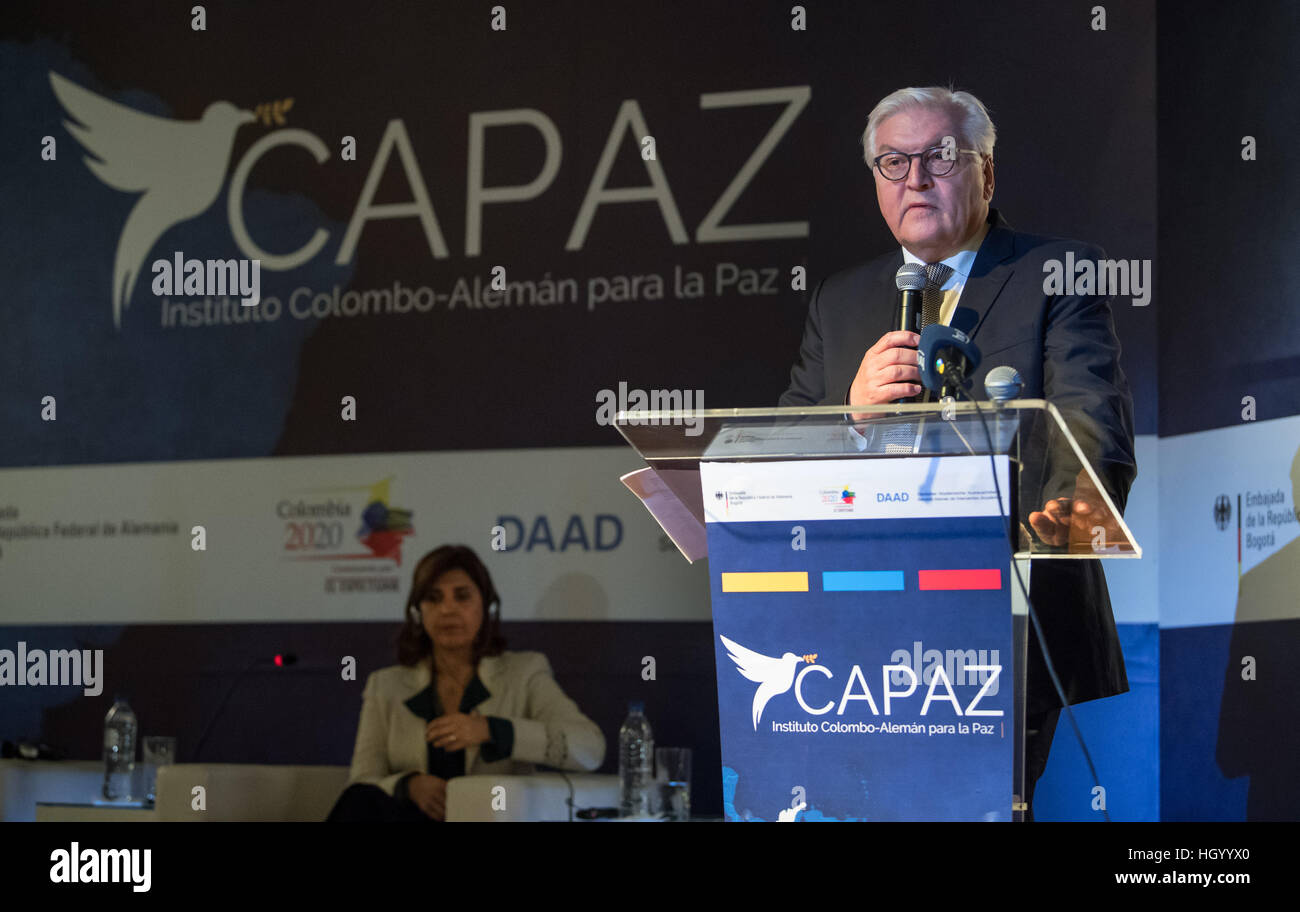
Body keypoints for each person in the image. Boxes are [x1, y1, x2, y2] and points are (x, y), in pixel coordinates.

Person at [780, 86, 1136, 820]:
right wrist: (850, 416)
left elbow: (1092, 425)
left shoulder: (1058, 273)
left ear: (987, 173)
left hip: (1000, 618)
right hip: (857, 631)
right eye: (892, 161)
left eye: (940, 155)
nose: (915, 177)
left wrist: (1064, 516)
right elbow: (780, 451)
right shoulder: (839, 301)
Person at [327, 544, 605, 821]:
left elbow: (589, 749)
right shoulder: (385, 685)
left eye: (462, 597)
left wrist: (492, 730)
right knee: (360, 800)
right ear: (417, 612)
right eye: (433, 598)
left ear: (485, 606)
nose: (448, 609)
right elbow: (362, 780)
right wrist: (407, 785)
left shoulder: (524, 673)